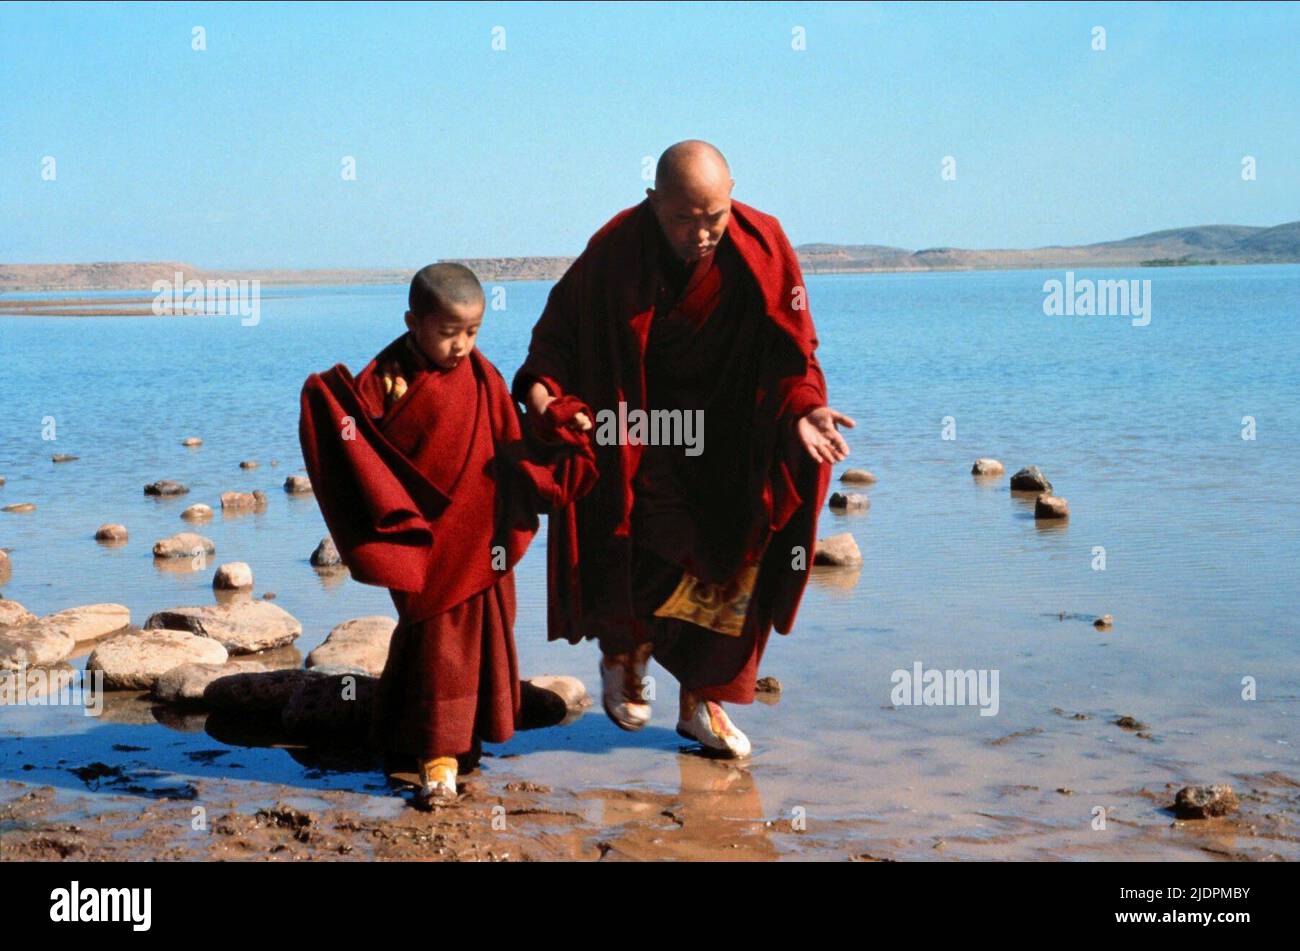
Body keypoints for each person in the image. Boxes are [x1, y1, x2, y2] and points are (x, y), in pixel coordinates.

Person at [513, 141, 855, 758]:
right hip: (645, 433)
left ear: (732, 198)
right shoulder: (614, 250)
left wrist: (804, 407)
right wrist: (542, 397)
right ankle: (625, 651)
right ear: (653, 203)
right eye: (683, 219)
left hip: (733, 434)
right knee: (637, 542)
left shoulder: (763, 243)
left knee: (745, 550)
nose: (702, 234)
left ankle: (703, 701)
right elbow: (557, 337)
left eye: (714, 217)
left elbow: (791, 349)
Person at [299, 263, 596, 805]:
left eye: (473, 332)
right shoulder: (385, 378)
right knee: (439, 641)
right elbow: (358, 442)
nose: (461, 346)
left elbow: (512, 446)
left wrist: (558, 428)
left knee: (480, 632)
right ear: (414, 322)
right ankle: (437, 759)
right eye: (448, 332)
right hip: (426, 540)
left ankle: (436, 735)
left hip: (482, 534)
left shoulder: (484, 378)